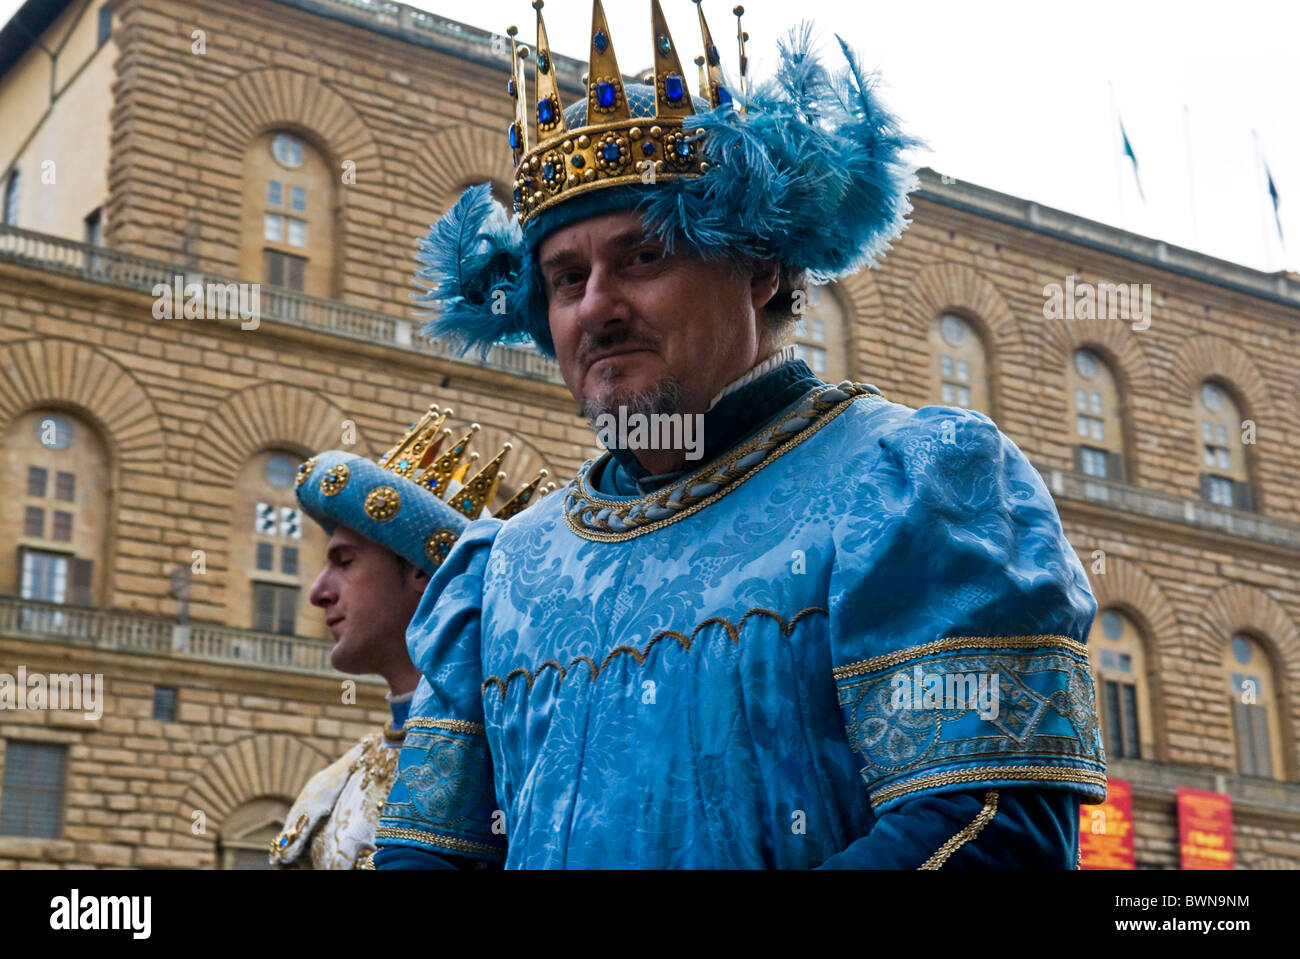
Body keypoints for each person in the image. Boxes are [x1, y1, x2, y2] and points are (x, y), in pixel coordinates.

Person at [373, 0, 1106, 869]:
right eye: (567, 278)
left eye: (644, 256)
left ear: (759, 267)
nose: (598, 306)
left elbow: (982, 825)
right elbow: (431, 857)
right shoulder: (501, 571)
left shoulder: (912, 487)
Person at [268, 411, 547, 869]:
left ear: (421, 571)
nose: (318, 593)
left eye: (344, 562)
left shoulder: (519, 771)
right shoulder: (329, 787)